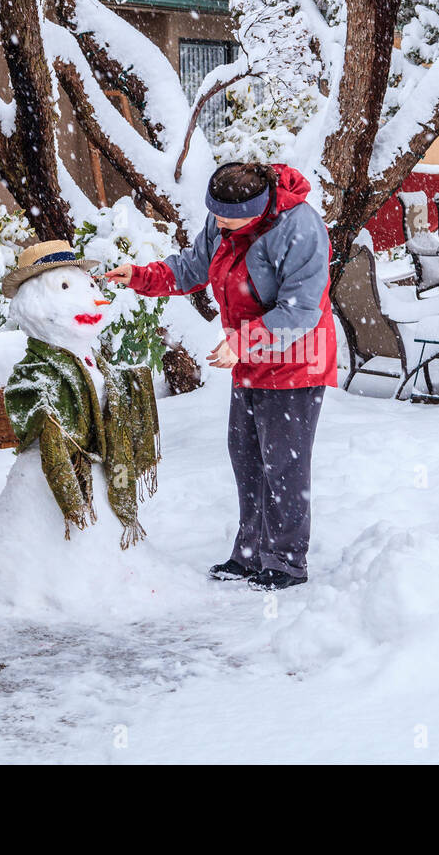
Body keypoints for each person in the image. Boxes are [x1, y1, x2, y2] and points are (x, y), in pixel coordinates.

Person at [105, 162, 335, 590]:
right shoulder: (224, 223)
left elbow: (302, 310)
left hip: (295, 360)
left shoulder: (301, 228)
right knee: (247, 458)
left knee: (283, 464)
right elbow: (192, 267)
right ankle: (249, 555)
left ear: (261, 205)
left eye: (230, 217)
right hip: (249, 356)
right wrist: (139, 276)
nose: (221, 224)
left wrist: (244, 342)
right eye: (217, 214)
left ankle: (285, 562)